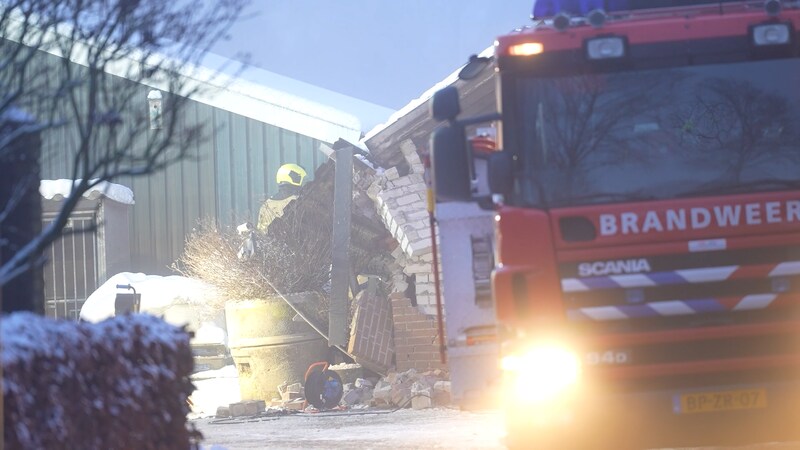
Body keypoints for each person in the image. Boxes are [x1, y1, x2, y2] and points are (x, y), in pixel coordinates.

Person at [257, 163, 307, 232]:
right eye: (299, 178)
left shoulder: (266, 205)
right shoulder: (297, 201)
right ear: (293, 178)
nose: (303, 182)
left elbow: (261, 232)